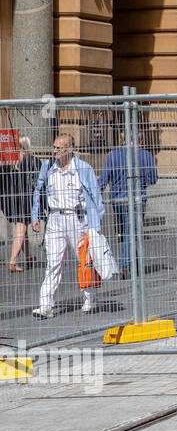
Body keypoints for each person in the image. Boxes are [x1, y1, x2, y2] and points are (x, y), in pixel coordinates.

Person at [30, 133, 105, 320]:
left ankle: (90, 298)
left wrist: (95, 225)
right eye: (54, 147)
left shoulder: (83, 169)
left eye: (59, 148)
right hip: (55, 218)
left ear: (70, 149)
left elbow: (96, 197)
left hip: (77, 218)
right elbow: (39, 190)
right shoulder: (48, 167)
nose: (55, 151)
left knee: (84, 261)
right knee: (53, 262)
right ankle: (46, 305)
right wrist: (35, 216)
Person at [98, 129, 159, 278]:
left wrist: (96, 196)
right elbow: (153, 179)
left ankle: (135, 263)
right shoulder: (146, 155)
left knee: (128, 231)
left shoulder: (113, 155)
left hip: (117, 200)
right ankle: (125, 266)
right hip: (137, 200)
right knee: (131, 232)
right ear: (141, 141)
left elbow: (103, 180)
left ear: (122, 140)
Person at [1, 136, 39, 271]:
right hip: (26, 199)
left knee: (21, 230)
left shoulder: (9, 162)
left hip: (11, 200)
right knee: (21, 229)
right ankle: (12, 261)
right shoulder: (32, 161)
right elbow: (37, 182)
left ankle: (28, 258)